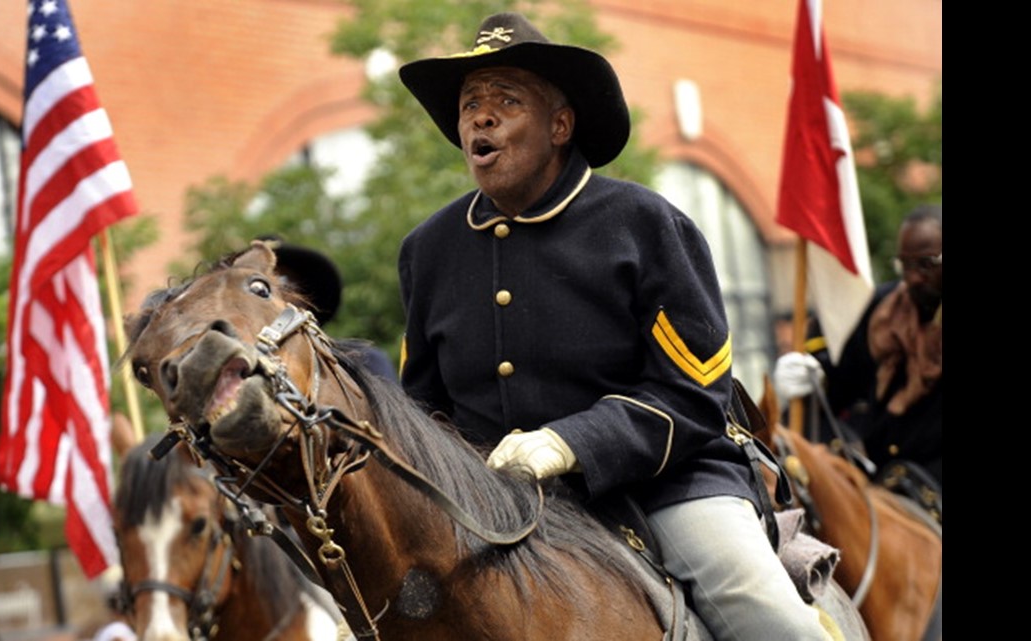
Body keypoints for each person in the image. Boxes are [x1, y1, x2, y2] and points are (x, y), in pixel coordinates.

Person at [396, 12, 830, 641]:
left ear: (560, 126)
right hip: (492, 503)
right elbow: (421, 409)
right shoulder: (429, 249)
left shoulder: (643, 223)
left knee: (765, 612)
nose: (480, 119)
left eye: (506, 101)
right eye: (470, 106)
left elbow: (693, 394)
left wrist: (570, 442)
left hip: (667, 484)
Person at [774, 204, 942, 488]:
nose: (913, 277)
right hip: (885, 478)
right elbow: (846, 374)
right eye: (906, 265)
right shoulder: (884, 309)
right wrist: (815, 376)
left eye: (926, 264)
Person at [258, 234, 399, 382]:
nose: (269, 294)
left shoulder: (361, 363)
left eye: (282, 281)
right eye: (258, 287)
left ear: (306, 299)